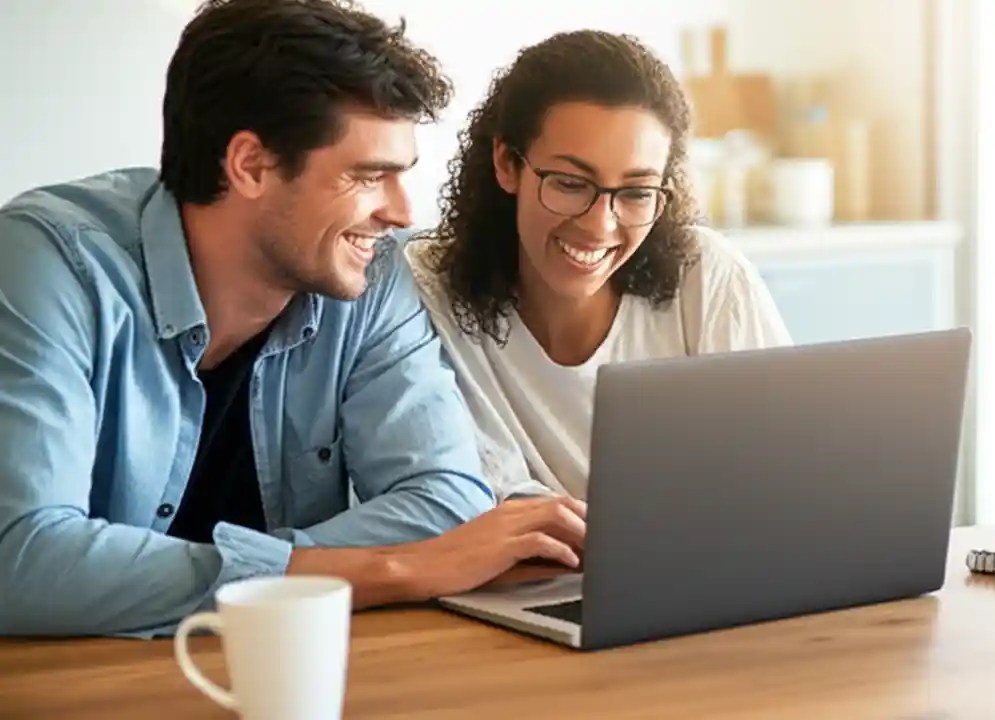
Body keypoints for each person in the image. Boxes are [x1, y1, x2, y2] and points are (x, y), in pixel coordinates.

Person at [0, 0, 585, 638]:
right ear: (250, 165)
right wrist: (383, 569)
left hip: (282, 666)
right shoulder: (47, 266)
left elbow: (445, 502)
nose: (398, 211)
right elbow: (22, 560)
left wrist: (162, 580)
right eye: (369, 176)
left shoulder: (371, 274)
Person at [406, 31, 792, 501]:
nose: (599, 224)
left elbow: (781, 478)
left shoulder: (706, 276)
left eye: (635, 193)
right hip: (522, 575)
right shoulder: (431, 289)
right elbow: (465, 504)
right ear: (507, 164)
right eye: (570, 183)